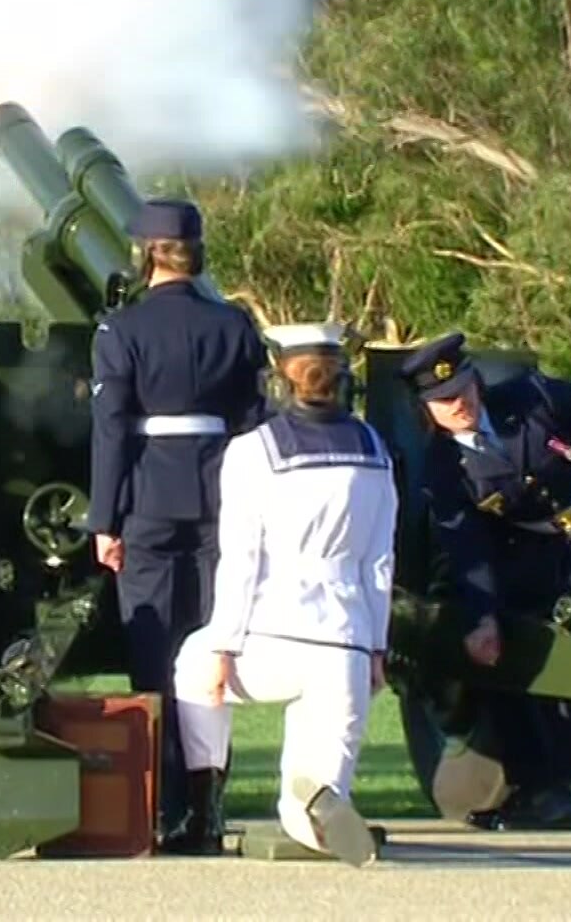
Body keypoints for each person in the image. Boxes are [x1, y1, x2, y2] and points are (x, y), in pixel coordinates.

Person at [397, 331, 571, 832]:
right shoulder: (444, 468)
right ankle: (540, 787)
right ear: (427, 410)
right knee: (514, 647)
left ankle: (567, 781)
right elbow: (468, 547)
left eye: (464, 393)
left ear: (476, 382)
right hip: (534, 545)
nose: (459, 408)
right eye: (443, 403)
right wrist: (483, 619)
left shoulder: (531, 396)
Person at [165, 322, 397, 865]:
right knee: (310, 792)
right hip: (346, 643)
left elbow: (241, 559)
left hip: (271, 637)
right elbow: (380, 563)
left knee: (193, 664)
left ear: (280, 379)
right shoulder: (375, 449)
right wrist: (377, 648)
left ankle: (205, 811)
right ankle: (319, 805)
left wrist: (224, 643)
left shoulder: (253, 450)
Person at [88, 197, 268, 846]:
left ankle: (163, 809)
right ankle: (207, 806)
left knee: (156, 659)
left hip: (149, 505)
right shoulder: (235, 327)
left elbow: (110, 431)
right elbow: (254, 425)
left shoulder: (121, 331)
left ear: (145, 255)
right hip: (223, 503)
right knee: (209, 657)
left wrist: (104, 519)